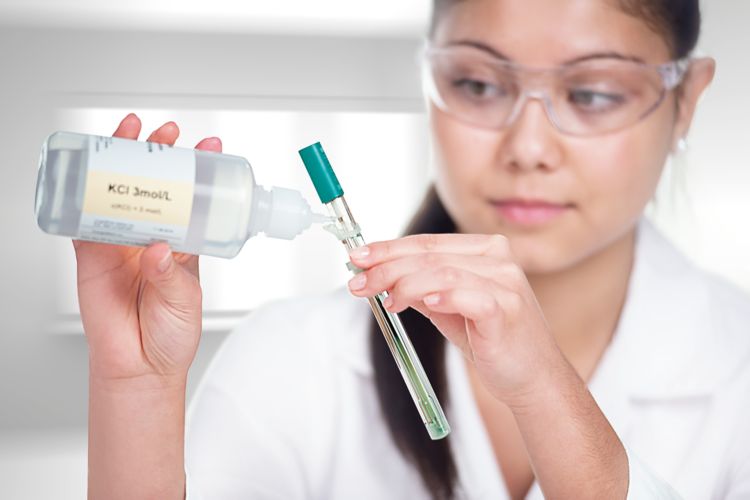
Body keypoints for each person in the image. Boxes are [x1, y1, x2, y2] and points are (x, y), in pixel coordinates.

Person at [79, 0, 750, 499]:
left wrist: (550, 397)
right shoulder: (287, 358)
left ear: (685, 99)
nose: (528, 148)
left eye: (594, 93)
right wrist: (134, 390)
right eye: (479, 85)